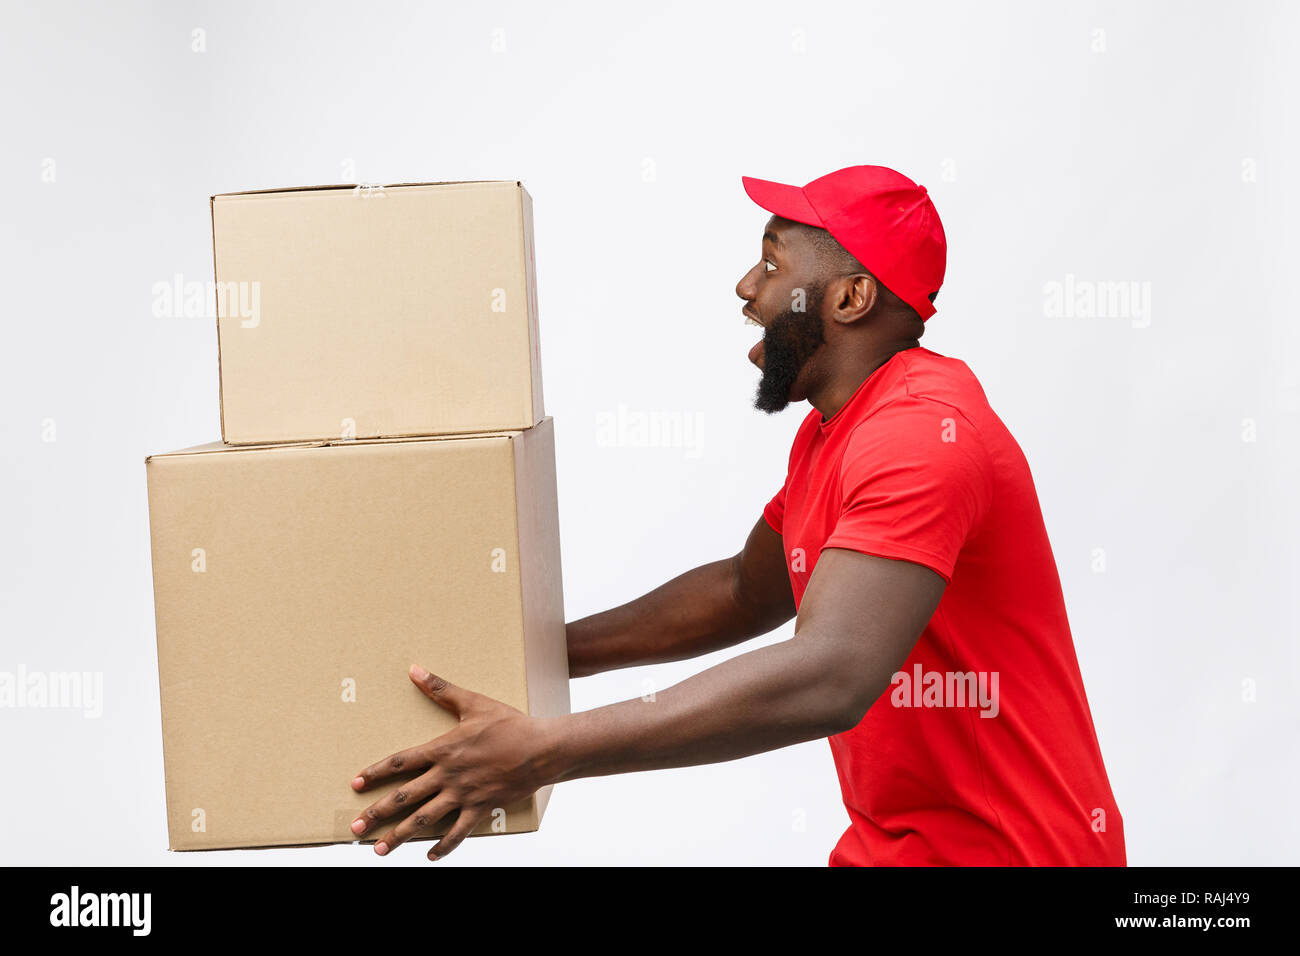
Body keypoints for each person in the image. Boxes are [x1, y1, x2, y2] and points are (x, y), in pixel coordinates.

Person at [348, 165, 1127, 867]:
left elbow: (832, 674)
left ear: (850, 297)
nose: (745, 286)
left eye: (773, 261)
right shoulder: (835, 433)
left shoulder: (923, 434)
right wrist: (535, 657)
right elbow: (743, 591)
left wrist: (546, 749)